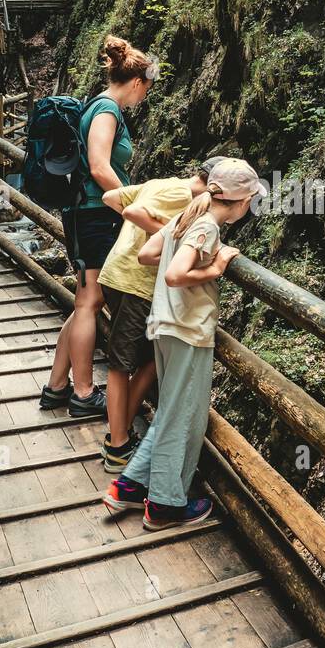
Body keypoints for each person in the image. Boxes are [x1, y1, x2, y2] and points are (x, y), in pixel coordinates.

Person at [103, 157, 265, 528]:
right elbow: (177, 275)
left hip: (163, 324)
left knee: (173, 410)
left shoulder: (186, 215)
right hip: (187, 329)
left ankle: (130, 486)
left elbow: (147, 254)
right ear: (240, 202)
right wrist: (217, 267)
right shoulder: (207, 227)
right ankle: (164, 505)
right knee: (185, 418)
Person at [40, 35, 154, 418]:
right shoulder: (107, 110)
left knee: (85, 302)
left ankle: (58, 385)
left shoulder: (99, 106)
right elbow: (99, 166)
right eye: (145, 91)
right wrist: (135, 203)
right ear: (137, 82)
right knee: (91, 301)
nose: (143, 99)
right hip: (96, 214)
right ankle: (84, 393)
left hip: (88, 213)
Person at [97, 157, 225, 472]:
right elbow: (131, 211)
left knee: (147, 361)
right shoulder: (182, 195)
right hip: (135, 283)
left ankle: (120, 430)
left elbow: (112, 198)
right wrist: (173, 238)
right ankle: (117, 446)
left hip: (118, 273)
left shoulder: (162, 184)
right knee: (122, 364)